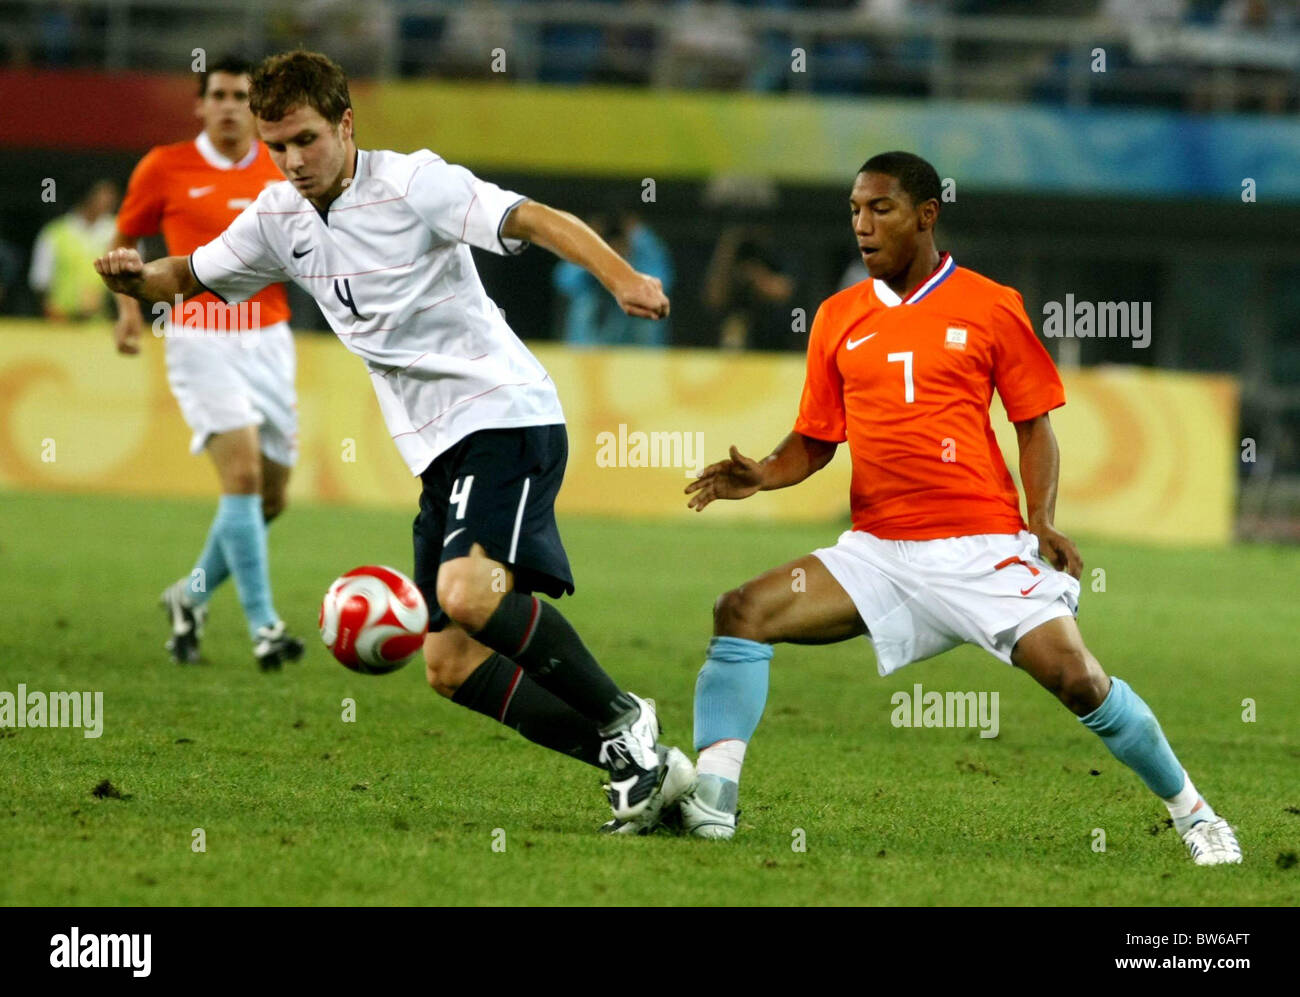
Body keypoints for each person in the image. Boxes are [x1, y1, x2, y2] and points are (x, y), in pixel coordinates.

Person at [93, 50, 693, 826]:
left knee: (465, 592)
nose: (293, 160)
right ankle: (639, 765)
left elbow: (531, 218)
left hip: (503, 413)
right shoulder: (277, 218)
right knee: (449, 664)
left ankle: (624, 717)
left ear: (345, 124)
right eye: (277, 146)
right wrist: (133, 279)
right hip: (437, 450)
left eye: (306, 139)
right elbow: (187, 275)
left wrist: (621, 278)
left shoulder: (415, 183)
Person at [667, 151, 1241, 866]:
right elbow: (814, 440)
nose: (863, 225)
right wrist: (763, 473)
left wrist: (1041, 518)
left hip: (982, 548)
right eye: (855, 210)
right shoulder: (838, 317)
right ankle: (712, 805)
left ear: (926, 215)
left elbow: (1033, 423)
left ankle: (1196, 815)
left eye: (881, 209)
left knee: (1080, 680)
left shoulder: (991, 304)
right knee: (741, 612)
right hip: (879, 553)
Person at [109, 55, 304, 672]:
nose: (228, 106)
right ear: (200, 104)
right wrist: (129, 312)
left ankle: (188, 597)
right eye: (217, 94)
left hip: (270, 339)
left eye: (240, 96)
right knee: (241, 476)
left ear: (256, 107)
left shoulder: (282, 166)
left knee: (271, 498)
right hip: (198, 336)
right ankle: (265, 627)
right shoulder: (164, 166)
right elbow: (126, 241)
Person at [29, 179, 119, 321]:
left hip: (101, 324)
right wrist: (50, 310)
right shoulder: (55, 232)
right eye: (103, 194)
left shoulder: (118, 232)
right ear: (87, 196)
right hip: (58, 321)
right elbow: (40, 281)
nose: (109, 200)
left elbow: (132, 282)